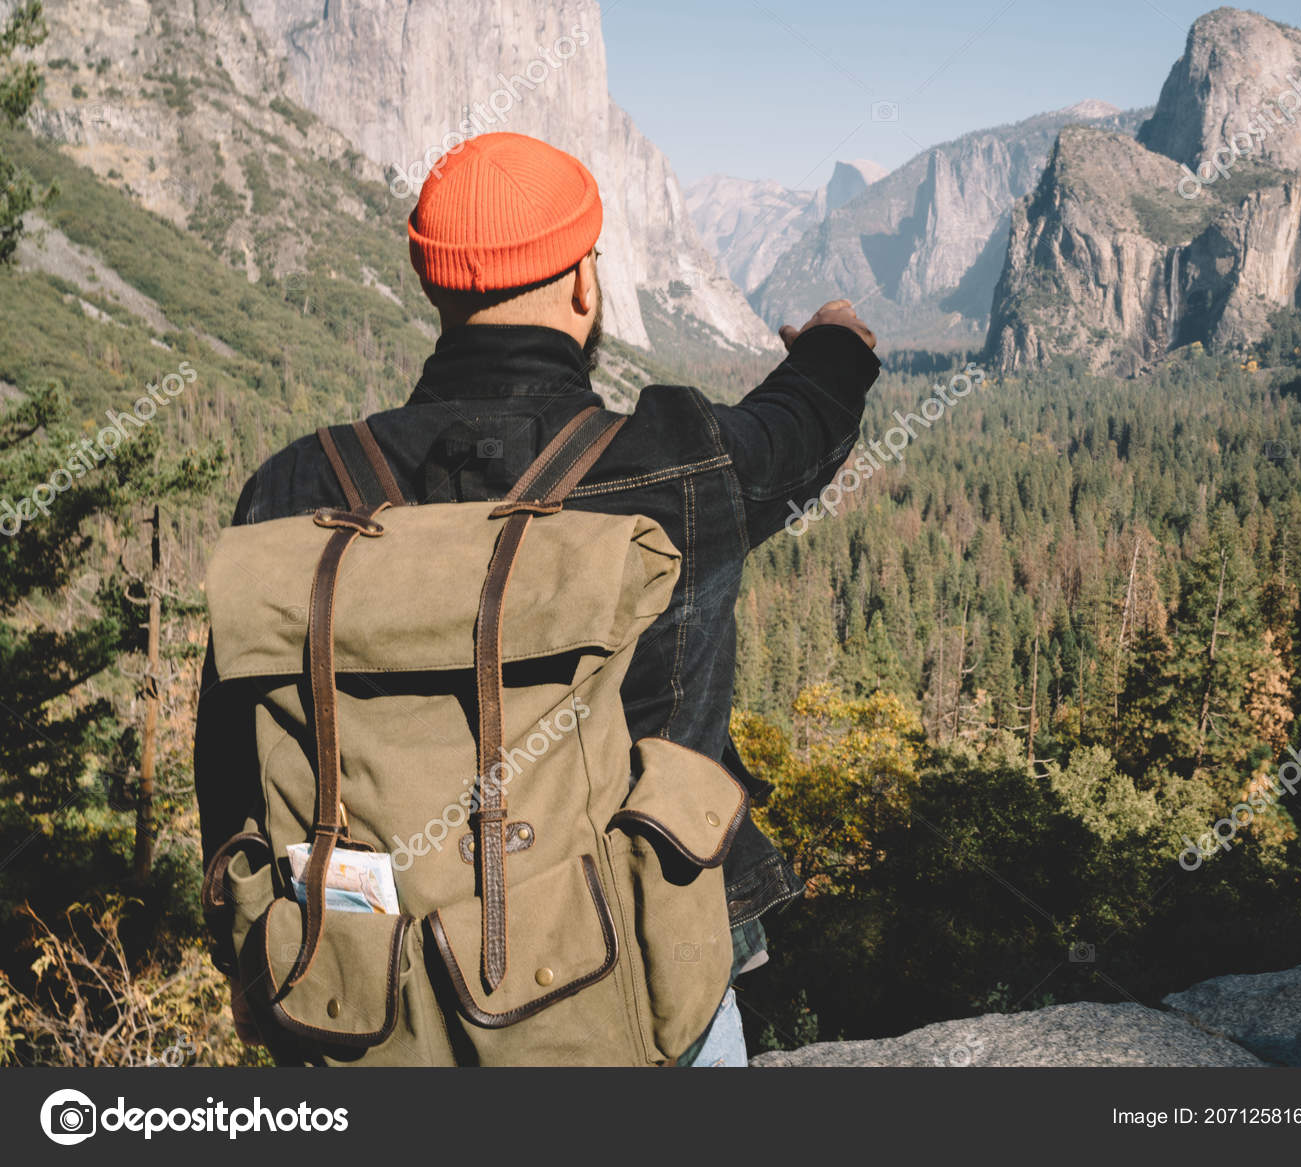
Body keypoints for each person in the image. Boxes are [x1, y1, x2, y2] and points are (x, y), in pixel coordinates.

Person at [194, 131, 879, 1065]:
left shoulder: (294, 491)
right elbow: (798, 430)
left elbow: (232, 771)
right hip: (642, 1001)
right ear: (586, 285)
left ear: (434, 289)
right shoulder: (677, 463)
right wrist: (836, 345)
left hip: (361, 1005)